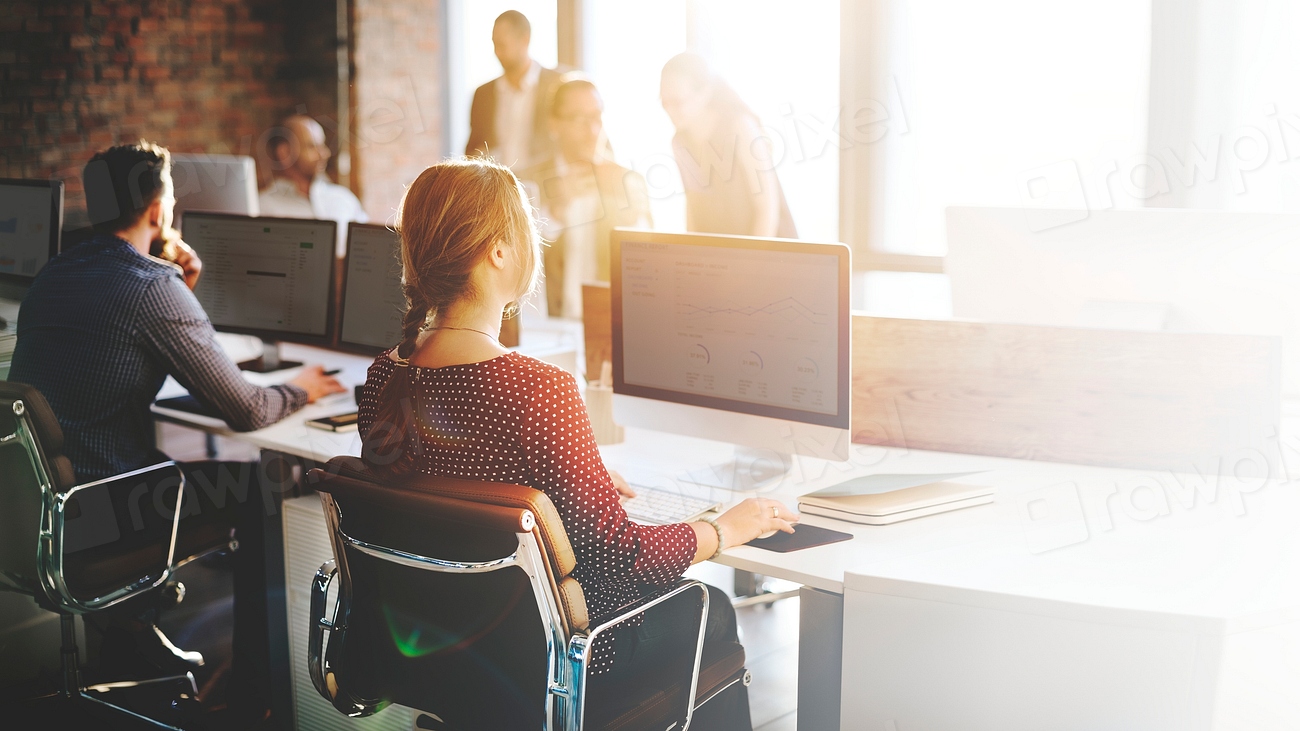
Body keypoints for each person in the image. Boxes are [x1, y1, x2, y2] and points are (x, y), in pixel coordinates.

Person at [357, 158, 796, 729]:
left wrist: (566, 480)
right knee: (707, 605)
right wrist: (724, 530)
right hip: (556, 660)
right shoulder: (538, 390)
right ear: (498, 251)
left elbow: (447, 485)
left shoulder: (381, 381)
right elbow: (621, 559)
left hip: (443, 647)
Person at [10, 141, 345, 722]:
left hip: (33, 510)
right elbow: (247, 410)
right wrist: (306, 388)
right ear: (159, 209)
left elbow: (115, 346)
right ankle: (258, 691)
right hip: (110, 510)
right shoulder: (150, 286)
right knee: (264, 493)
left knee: (142, 457)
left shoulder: (53, 274)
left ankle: (129, 636)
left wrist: (175, 286)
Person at [519, 78, 652, 319]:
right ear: (554, 125)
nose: (592, 131)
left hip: (607, 323)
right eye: (580, 120)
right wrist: (556, 210)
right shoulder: (527, 183)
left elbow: (648, 266)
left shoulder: (627, 180)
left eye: (597, 117)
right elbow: (514, 263)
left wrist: (624, 206)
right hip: (546, 327)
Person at [660, 52, 797, 239]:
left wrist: (749, 264)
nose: (669, 110)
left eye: (677, 101)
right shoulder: (679, 142)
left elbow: (767, 209)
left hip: (765, 247)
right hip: (721, 255)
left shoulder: (740, 127)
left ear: (705, 93)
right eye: (664, 102)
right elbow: (693, 207)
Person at [258, 114, 368, 257]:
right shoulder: (262, 208)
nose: (325, 154)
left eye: (322, 145)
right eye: (312, 146)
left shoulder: (344, 198)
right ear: (284, 153)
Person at [465, 10, 563, 169]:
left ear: (525, 40)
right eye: (494, 44)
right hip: (497, 189)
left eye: (502, 45)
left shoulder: (557, 85)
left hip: (544, 187)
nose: (497, 52)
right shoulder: (483, 94)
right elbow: (472, 148)